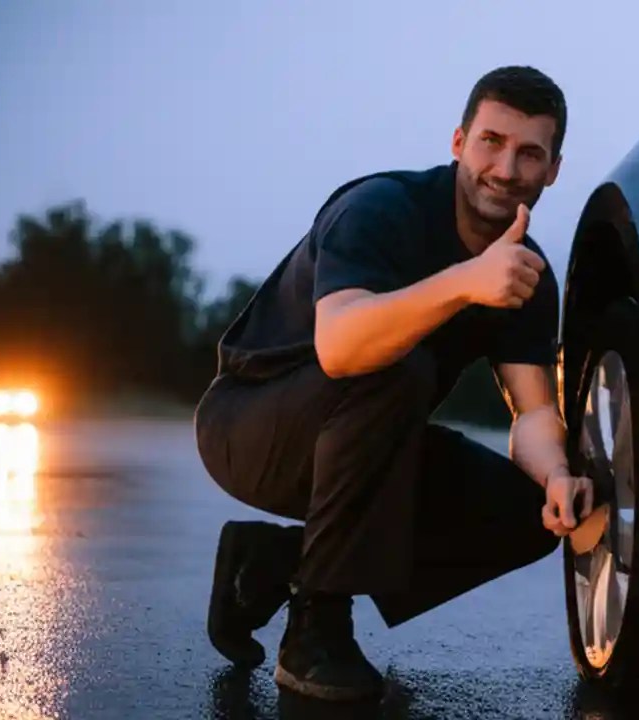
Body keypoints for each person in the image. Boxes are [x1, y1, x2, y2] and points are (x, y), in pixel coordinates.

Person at [193, 65, 594, 702]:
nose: (506, 167)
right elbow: (344, 346)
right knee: (398, 364)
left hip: (370, 435)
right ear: (459, 141)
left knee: (523, 516)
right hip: (252, 426)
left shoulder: (526, 273)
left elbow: (534, 412)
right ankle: (315, 632)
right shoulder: (380, 208)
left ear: (553, 170)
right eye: (491, 141)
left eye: (530, 153)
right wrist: (465, 282)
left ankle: (271, 566)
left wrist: (556, 477)